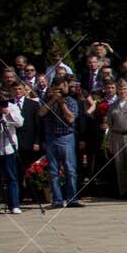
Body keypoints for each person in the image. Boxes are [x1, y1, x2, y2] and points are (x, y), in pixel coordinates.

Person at [37, 75, 83, 207]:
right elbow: (41, 113)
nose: (61, 90)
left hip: (66, 137)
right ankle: (57, 199)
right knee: (53, 171)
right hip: (51, 138)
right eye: (58, 88)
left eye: (63, 87)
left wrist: (61, 103)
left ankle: (72, 198)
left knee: (70, 169)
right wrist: (53, 100)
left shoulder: (70, 101)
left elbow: (70, 119)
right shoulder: (47, 99)